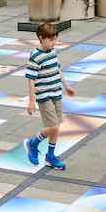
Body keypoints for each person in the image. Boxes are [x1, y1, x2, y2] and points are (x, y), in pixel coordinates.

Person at [22, 22, 73, 170]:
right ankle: (33, 143)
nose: (53, 42)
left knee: (56, 128)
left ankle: (50, 156)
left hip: (56, 93)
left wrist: (66, 86)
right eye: (50, 39)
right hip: (44, 96)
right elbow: (30, 79)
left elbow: (58, 69)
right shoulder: (35, 56)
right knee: (53, 126)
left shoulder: (53, 52)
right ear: (40, 38)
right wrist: (31, 101)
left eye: (55, 39)